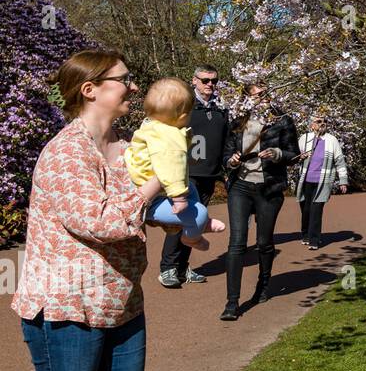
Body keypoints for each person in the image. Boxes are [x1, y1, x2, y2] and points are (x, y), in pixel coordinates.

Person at [12, 50, 168, 371]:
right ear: (90, 90)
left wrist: (181, 216)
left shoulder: (129, 147)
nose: (134, 86)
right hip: (69, 308)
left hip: (122, 302)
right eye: (125, 78)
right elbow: (99, 223)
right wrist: (156, 183)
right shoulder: (67, 153)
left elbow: (138, 211)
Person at [219, 83, 300, 321]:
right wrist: (231, 161)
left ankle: (263, 286)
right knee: (237, 243)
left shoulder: (282, 120)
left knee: (264, 242)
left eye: (264, 94)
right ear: (247, 98)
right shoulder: (237, 121)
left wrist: (277, 155)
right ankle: (232, 303)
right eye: (255, 96)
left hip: (269, 187)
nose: (261, 99)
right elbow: (225, 154)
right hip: (240, 186)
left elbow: (293, 154)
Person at [124, 78, 225, 251]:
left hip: (144, 183)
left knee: (191, 189)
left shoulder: (152, 125)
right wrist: (178, 197)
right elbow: (171, 166)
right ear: (183, 116)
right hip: (149, 199)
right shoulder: (169, 136)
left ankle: (201, 224)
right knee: (198, 212)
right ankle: (191, 237)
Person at [159, 64, 229, 288]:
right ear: (194, 81)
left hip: (210, 173)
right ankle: (168, 268)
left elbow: (226, 140)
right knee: (181, 219)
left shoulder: (222, 108)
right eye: (205, 80)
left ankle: (182, 267)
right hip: (186, 173)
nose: (210, 85)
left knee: (196, 223)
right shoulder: (184, 106)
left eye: (214, 81)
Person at [294, 114, 348, 251]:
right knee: (306, 209)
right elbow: (294, 157)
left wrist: (343, 180)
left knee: (316, 210)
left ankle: (314, 239)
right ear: (312, 125)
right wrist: (301, 157)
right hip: (306, 180)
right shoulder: (305, 138)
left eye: (324, 122)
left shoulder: (331, 140)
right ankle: (305, 234)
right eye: (318, 122)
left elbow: (340, 161)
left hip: (323, 181)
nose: (322, 124)